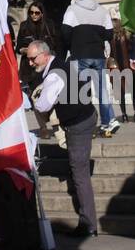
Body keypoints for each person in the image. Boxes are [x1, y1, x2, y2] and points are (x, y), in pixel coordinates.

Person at [26, 39, 97, 238]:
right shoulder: (58, 65)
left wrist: (36, 96)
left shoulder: (53, 75)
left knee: (79, 171)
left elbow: (42, 106)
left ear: (44, 54)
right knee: (77, 167)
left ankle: (88, 224)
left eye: (33, 59)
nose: (31, 63)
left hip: (79, 122)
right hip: (83, 116)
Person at [62, 0, 119, 135]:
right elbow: (109, 34)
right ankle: (108, 121)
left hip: (80, 54)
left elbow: (65, 32)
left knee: (82, 91)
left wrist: (72, 45)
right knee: (102, 91)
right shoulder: (102, 10)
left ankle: (86, 124)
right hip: (98, 56)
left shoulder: (72, 10)